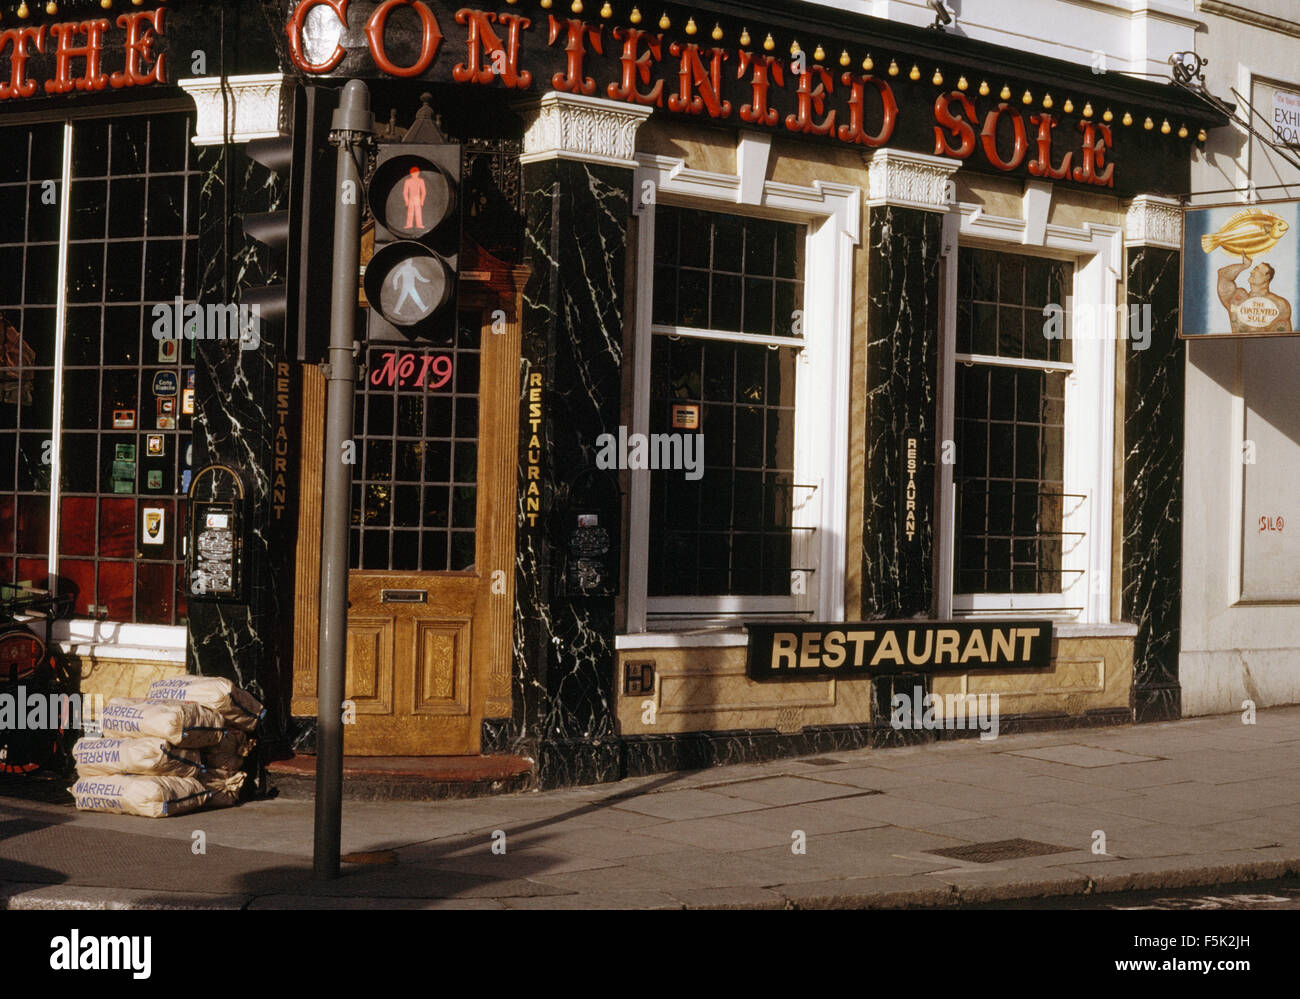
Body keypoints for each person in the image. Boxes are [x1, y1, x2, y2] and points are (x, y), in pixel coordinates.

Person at [1217, 254, 1293, 333]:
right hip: (1237, 344)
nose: (1251, 272)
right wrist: (1244, 265)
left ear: (1266, 277)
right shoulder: (1237, 298)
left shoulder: (1279, 304)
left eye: (1256, 269)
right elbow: (1223, 274)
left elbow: (1284, 337)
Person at [402, 166, 426, 231]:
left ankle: (419, 224)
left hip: (417, 198)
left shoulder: (421, 180)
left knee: (418, 212)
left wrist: (422, 200)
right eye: (413, 173)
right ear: (411, 173)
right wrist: (406, 201)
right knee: (410, 212)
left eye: (416, 173)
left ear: (418, 173)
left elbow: (423, 191)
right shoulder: (408, 181)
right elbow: (405, 192)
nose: (415, 174)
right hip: (411, 198)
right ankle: (409, 224)